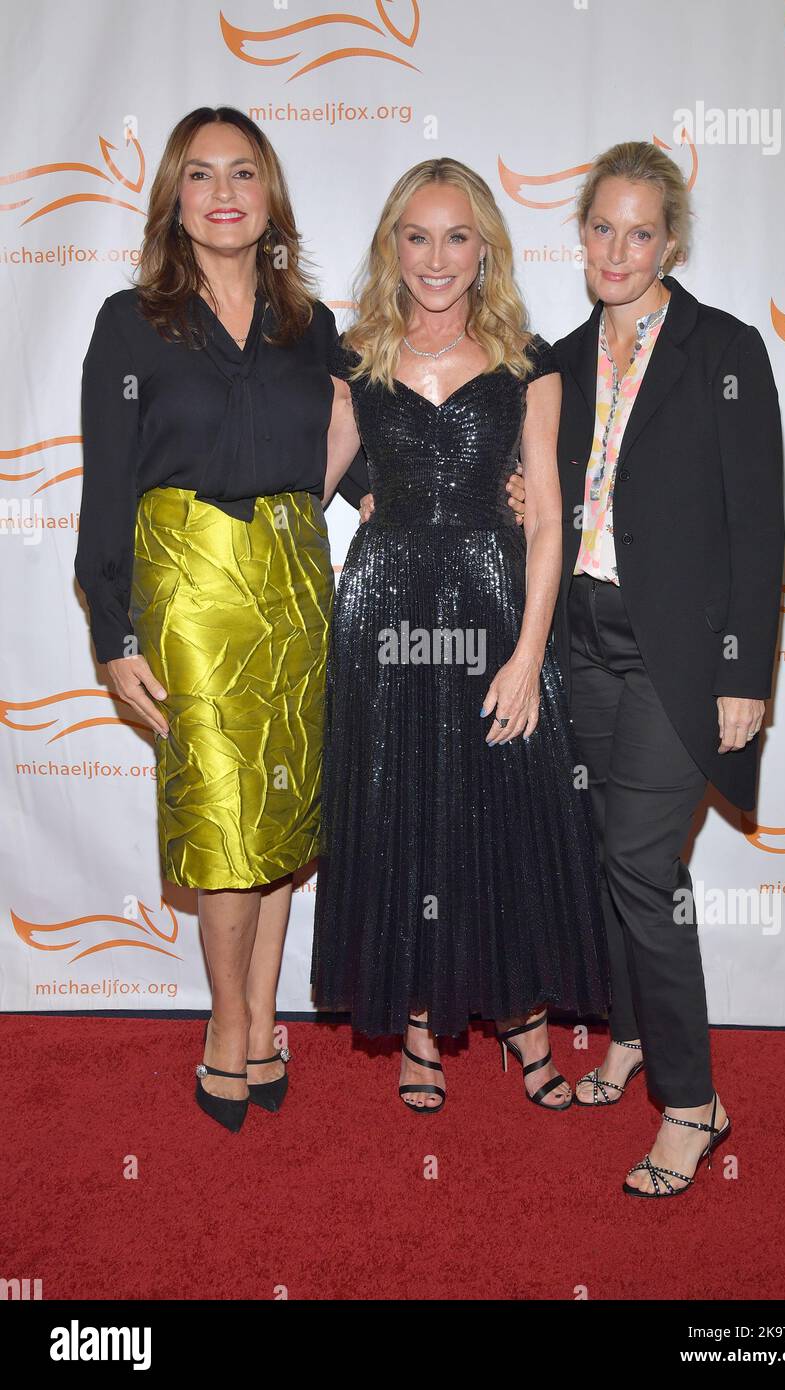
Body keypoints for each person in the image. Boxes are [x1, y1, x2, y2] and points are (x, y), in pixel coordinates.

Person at [310, 157, 611, 1113]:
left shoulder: (530, 361)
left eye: (456, 237)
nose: (435, 258)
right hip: (384, 614)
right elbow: (305, 486)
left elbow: (547, 516)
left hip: (491, 612)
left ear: (484, 250)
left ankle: (520, 1016)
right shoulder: (356, 360)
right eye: (416, 236)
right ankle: (412, 1025)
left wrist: (528, 656)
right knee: (402, 809)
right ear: (391, 246)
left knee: (504, 815)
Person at [74, 107, 338, 1132]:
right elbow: (105, 492)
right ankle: (228, 1025)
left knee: (278, 819)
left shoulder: (309, 325)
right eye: (199, 174)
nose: (223, 191)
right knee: (223, 821)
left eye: (242, 172)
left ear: (269, 196)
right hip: (186, 585)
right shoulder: (129, 321)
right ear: (174, 201)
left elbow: (369, 436)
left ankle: (264, 1016)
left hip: (294, 580)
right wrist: (116, 632)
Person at [551, 142, 785, 1194]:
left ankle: (692, 1100)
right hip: (581, 644)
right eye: (601, 226)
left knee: (645, 871)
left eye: (639, 231)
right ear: (582, 233)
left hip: (675, 660)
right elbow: (556, 509)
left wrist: (742, 674)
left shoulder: (724, 350)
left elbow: (757, 526)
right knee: (614, 857)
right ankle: (630, 1036)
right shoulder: (556, 360)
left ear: (672, 243)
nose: (617, 248)